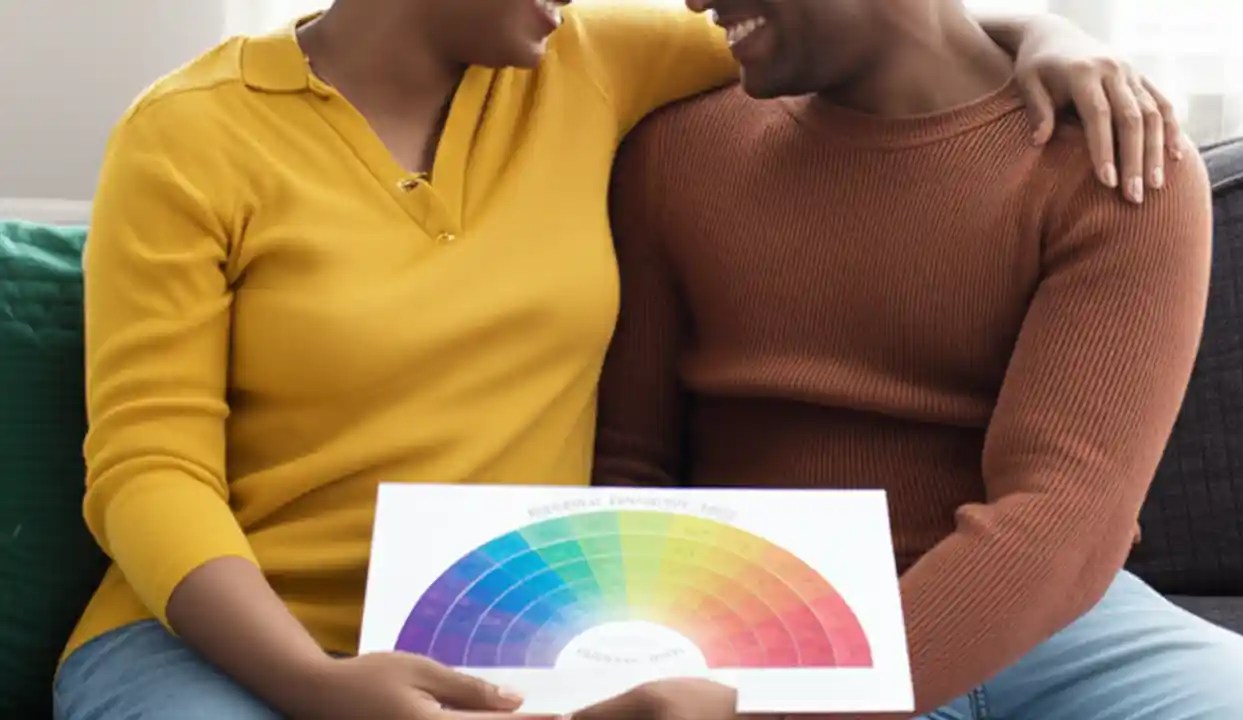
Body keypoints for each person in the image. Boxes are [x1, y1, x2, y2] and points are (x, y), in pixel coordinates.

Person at [52, 0, 1182, 717]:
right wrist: (307, 682)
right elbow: (149, 466)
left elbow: (872, 29)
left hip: (493, 632)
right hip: (218, 640)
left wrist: (1050, 33)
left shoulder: (586, 63)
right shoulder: (189, 132)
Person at [589, 0, 1243, 719]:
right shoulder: (674, 154)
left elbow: (1064, 513)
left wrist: (782, 708)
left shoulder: (1116, 160)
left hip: (1056, 624)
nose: (695, 1)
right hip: (765, 618)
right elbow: (631, 470)